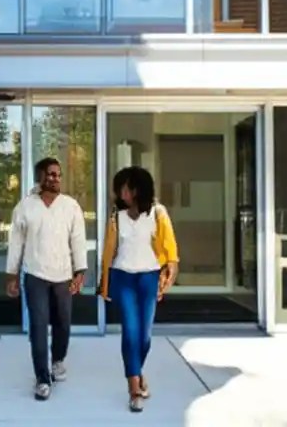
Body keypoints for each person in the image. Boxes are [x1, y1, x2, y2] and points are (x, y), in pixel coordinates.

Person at [5, 156, 87, 401]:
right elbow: (16, 242)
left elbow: (78, 241)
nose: (55, 178)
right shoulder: (25, 207)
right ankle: (42, 378)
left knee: (63, 322)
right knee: (39, 326)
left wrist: (80, 271)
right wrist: (11, 274)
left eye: (58, 174)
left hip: (62, 275)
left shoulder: (70, 206)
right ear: (40, 177)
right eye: (50, 174)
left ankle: (58, 360)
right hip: (35, 275)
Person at [99, 166, 179, 413]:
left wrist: (170, 274)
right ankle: (134, 387)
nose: (122, 192)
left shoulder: (157, 213)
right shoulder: (116, 217)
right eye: (120, 187)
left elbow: (170, 249)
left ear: (138, 189)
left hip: (149, 277)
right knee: (130, 332)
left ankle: (137, 371)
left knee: (144, 336)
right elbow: (108, 253)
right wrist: (105, 282)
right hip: (123, 277)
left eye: (127, 187)